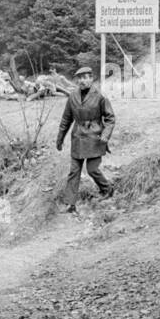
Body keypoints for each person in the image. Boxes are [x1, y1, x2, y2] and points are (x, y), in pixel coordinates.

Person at [56, 66, 115, 212]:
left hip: (95, 138)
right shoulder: (72, 96)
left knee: (92, 169)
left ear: (91, 78)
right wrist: (60, 138)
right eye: (79, 78)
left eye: (85, 77)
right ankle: (70, 204)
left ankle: (107, 189)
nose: (82, 81)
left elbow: (110, 118)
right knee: (74, 171)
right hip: (77, 137)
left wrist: (105, 136)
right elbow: (66, 119)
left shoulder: (100, 96)